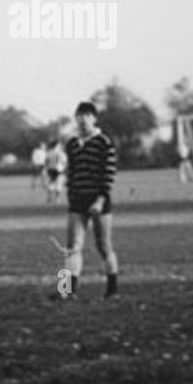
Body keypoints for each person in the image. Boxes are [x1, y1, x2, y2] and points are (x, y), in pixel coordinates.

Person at [57, 102, 119, 299]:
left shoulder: (104, 142)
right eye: (79, 115)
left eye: (87, 115)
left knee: (103, 246)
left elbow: (108, 174)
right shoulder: (72, 143)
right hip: (78, 200)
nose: (83, 119)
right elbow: (71, 172)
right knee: (72, 246)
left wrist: (100, 200)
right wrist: (70, 193)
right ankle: (66, 290)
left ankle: (112, 289)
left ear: (94, 118)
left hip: (98, 200)